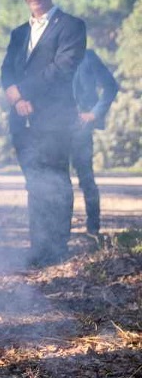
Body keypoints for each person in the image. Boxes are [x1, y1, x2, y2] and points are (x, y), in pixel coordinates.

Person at [1, 0, 86, 267]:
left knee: (56, 182)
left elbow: (63, 68)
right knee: (34, 183)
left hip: (55, 121)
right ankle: (39, 248)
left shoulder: (73, 26)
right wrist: (16, 97)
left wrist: (23, 91)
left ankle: (58, 249)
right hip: (22, 122)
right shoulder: (18, 33)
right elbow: (7, 71)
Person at [71, 49, 119, 243]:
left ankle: (92, 229)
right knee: (55, 181)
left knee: (86, 178)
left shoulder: (87, 56)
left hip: (81, 128)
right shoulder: (48, 54)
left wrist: (94, 113)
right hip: (54, 129)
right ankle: (59, 231)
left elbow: (111, 86)